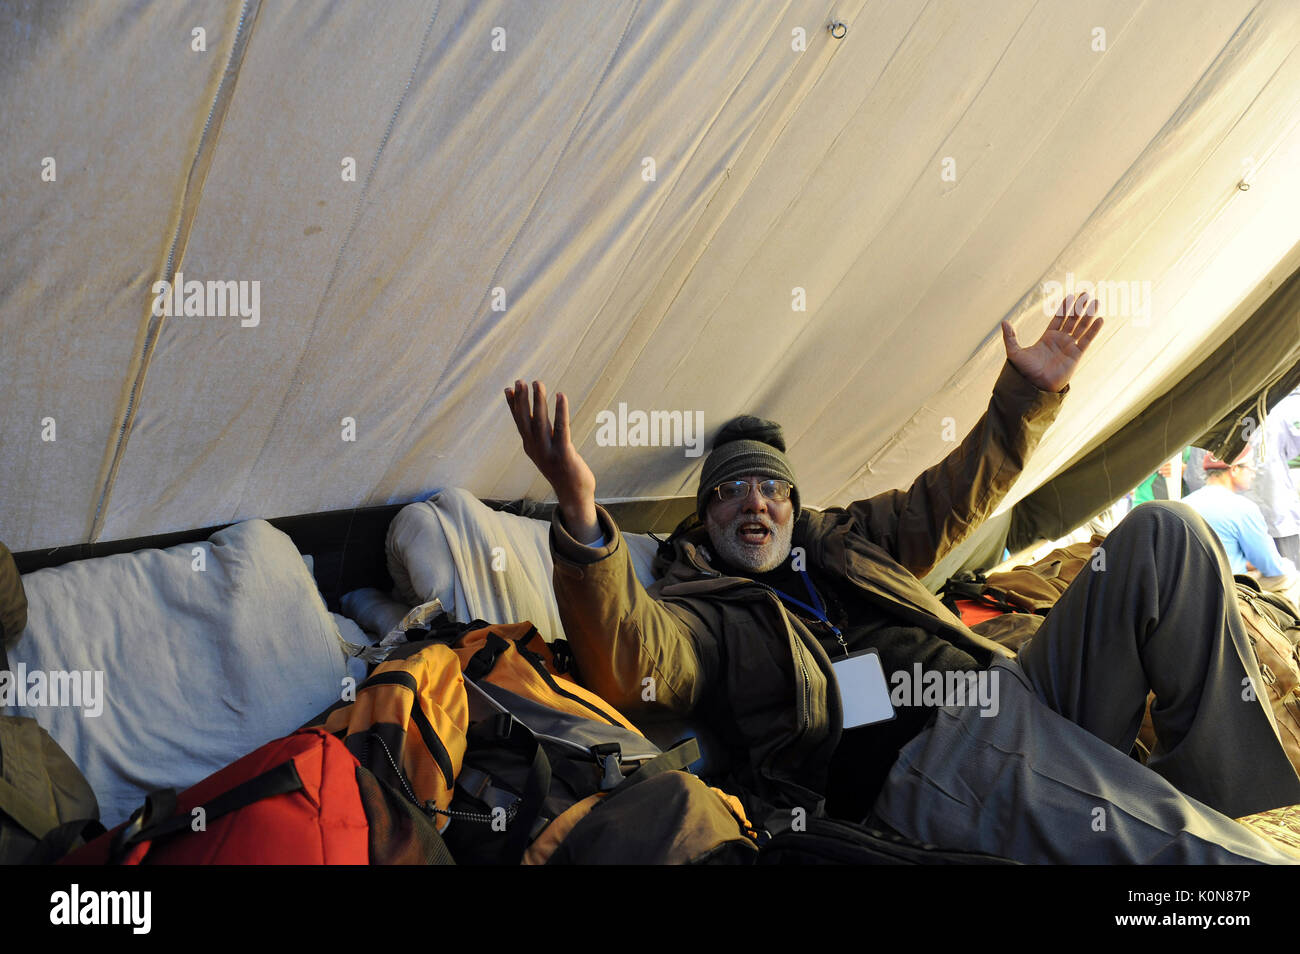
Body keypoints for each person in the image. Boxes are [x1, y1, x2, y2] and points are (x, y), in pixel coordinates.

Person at [505, 294, 1300, 862]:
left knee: (1166, 533)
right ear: (704, 522)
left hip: (1011, 687)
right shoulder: (705, 613)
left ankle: (1222, 794)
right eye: (729, 493)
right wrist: (582, 519)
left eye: (771, 487)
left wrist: (1030, 392)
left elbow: (945, 499)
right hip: (934, 752)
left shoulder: (843, 540)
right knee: (1162, 844)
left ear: (792, 502)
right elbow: (635, 659)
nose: (754, 503)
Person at [1184, 448, 1300, 609]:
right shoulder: (1243, 508)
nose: (1253, 474)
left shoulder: (1184, 503)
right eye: (1250, 467)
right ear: (1234, 469)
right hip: (1230, 589)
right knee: (1291, 574)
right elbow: (1270, 565)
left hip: (1189, 588)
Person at [1242, 390, 1300, 566]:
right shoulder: (1283, 410)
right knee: (1288, 576)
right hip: (1277, 510)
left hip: (1246, 505)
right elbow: (1293, 449)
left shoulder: (1236, 411)